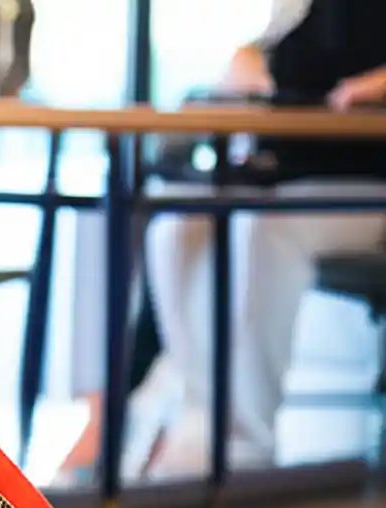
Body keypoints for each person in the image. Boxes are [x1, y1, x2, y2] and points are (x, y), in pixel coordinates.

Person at [129, 0, 386, 478]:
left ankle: (247, 437)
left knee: (262, 229)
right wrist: (247, 63)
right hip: (287, 169)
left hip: (366, 182)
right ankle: (201, 413)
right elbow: (264, 48)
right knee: (176, 224)